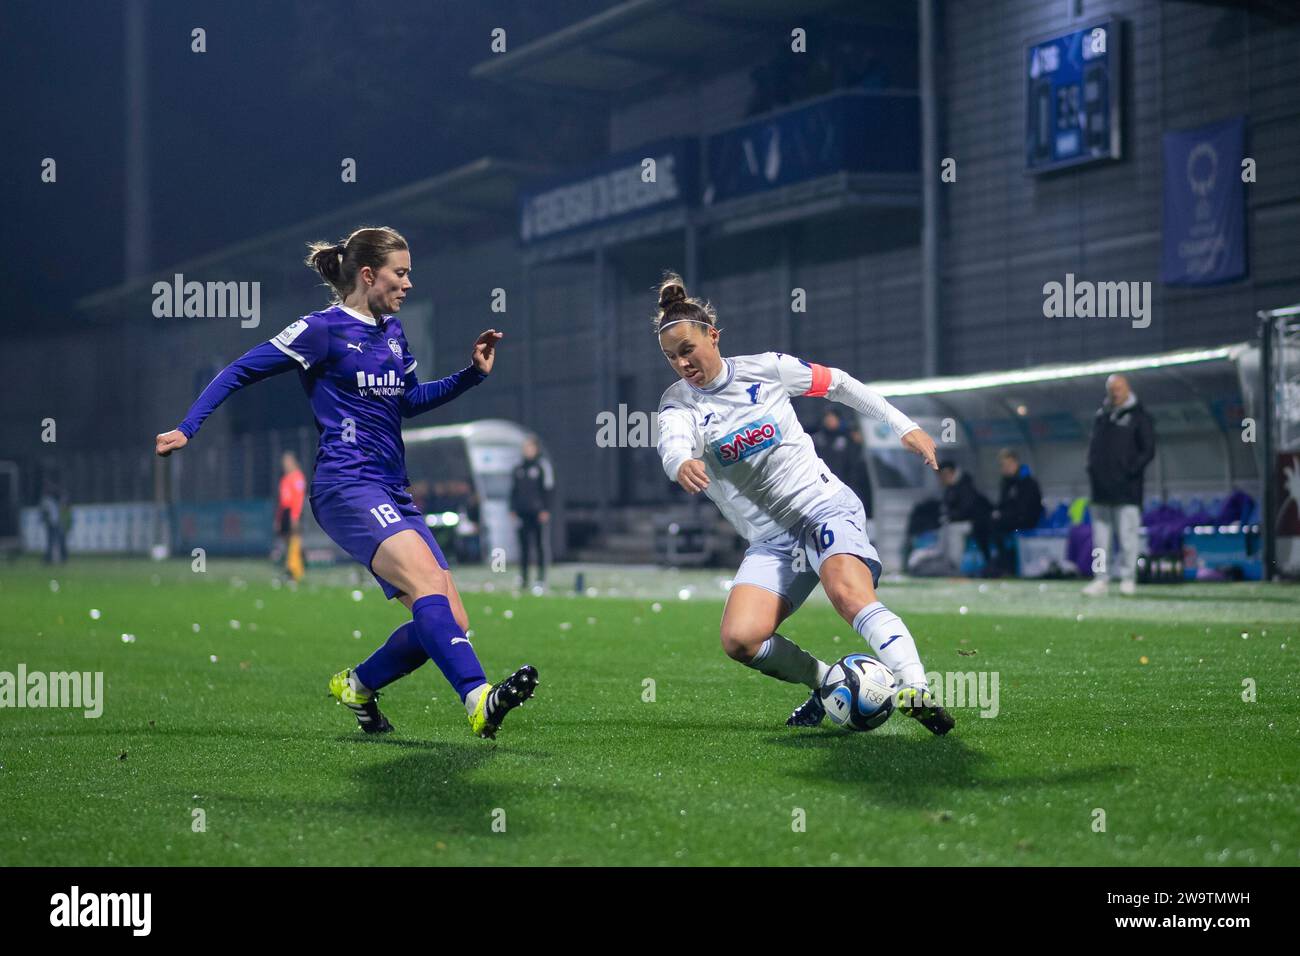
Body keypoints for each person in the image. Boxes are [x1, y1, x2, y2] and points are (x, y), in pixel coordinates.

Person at [154, 226, 537, 740]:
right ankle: (478, 699)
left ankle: (358, 684)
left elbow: (409, 402)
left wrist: (472, 373)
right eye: (400, 273)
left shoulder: (393, 333)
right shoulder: (323, 330)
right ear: (367, 274)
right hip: (346, 484)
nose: (407, 284)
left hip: (392, 487)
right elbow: (241, 369)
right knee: (429, 589)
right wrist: (187, 427)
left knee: (452, 620)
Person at [654, 273, 953, 735]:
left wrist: (903, 425)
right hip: (772, 540)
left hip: (822, 506)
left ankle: (915, 686)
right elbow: (673, 443)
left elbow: (839, 384)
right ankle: (829, 681)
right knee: (740, 639)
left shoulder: (766, 368)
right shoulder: (678, 404)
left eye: (688, 349)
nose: (682, 363)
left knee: (848, 594)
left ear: (712, 335)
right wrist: (679, 464)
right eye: (672, 357)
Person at [1083, 373, 1156, 596]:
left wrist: (1129, 471)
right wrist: (1092, 469)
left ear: (1127, 389)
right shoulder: (1101, 416)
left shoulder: (1139, 417)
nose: (1115, 392)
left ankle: (1128, 578)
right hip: (1100, 489)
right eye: (1112, 389)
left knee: (1127, 537)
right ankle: (1100, 579)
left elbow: (1148, 450)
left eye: (1119, 388)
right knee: (1100, 541)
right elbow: (1094, 448)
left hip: (1127, 489)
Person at [509, 435, 554, 591]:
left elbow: (548, 490)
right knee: (523, 547)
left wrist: (545, 509)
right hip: (522, 513)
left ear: (536, 449)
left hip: (537, 513)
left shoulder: (542, 466)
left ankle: (541, 578)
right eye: (525, 447)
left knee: (540, 545)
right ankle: (524, 578)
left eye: (530, 447)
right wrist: (513, 509)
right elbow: (513, 491)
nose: (527, 450)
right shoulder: (518, 468)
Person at [989, 449, 1043, 576]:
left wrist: (1003, 515)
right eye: (1003, 465)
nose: (1006, 468)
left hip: (1026, 520)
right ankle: (999, 564)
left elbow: (1027, 508)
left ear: (1016, 463)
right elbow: (1002, 504)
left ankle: (1006, 566)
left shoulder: (1028, 482)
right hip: (1012, 519)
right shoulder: (1006, 483)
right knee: (988, 524)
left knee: (996, 527)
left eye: (1008, 464)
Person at [811, 409, 872, 518]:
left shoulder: (848, 439)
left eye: (832, 417)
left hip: (843, 486)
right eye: (827, 417)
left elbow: (854, 466)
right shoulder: (817, 439)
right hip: (821, 487)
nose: (829, 420)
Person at [937, 460, 993, 572]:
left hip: (978, 523)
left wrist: (950, 517)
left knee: (954, 530)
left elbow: (966, 511)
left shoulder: (965, 486)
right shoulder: (951, 488)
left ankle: (954, 566)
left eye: (944, 475)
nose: (942, 478)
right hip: (964, 522)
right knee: (944, 529)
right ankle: (943, 563)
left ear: (951, 473)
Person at [275, 451, 307, 581]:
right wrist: (278, 519)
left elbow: (298, 499)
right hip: (285, 512)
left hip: (294, 512)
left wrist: (295, 516)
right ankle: (290, 568)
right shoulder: (284, 479)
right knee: (287, 542)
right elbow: (281, 501)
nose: (285, 465)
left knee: (295, 540)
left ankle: (295, 570)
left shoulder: (298, 477)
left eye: (287, 461)